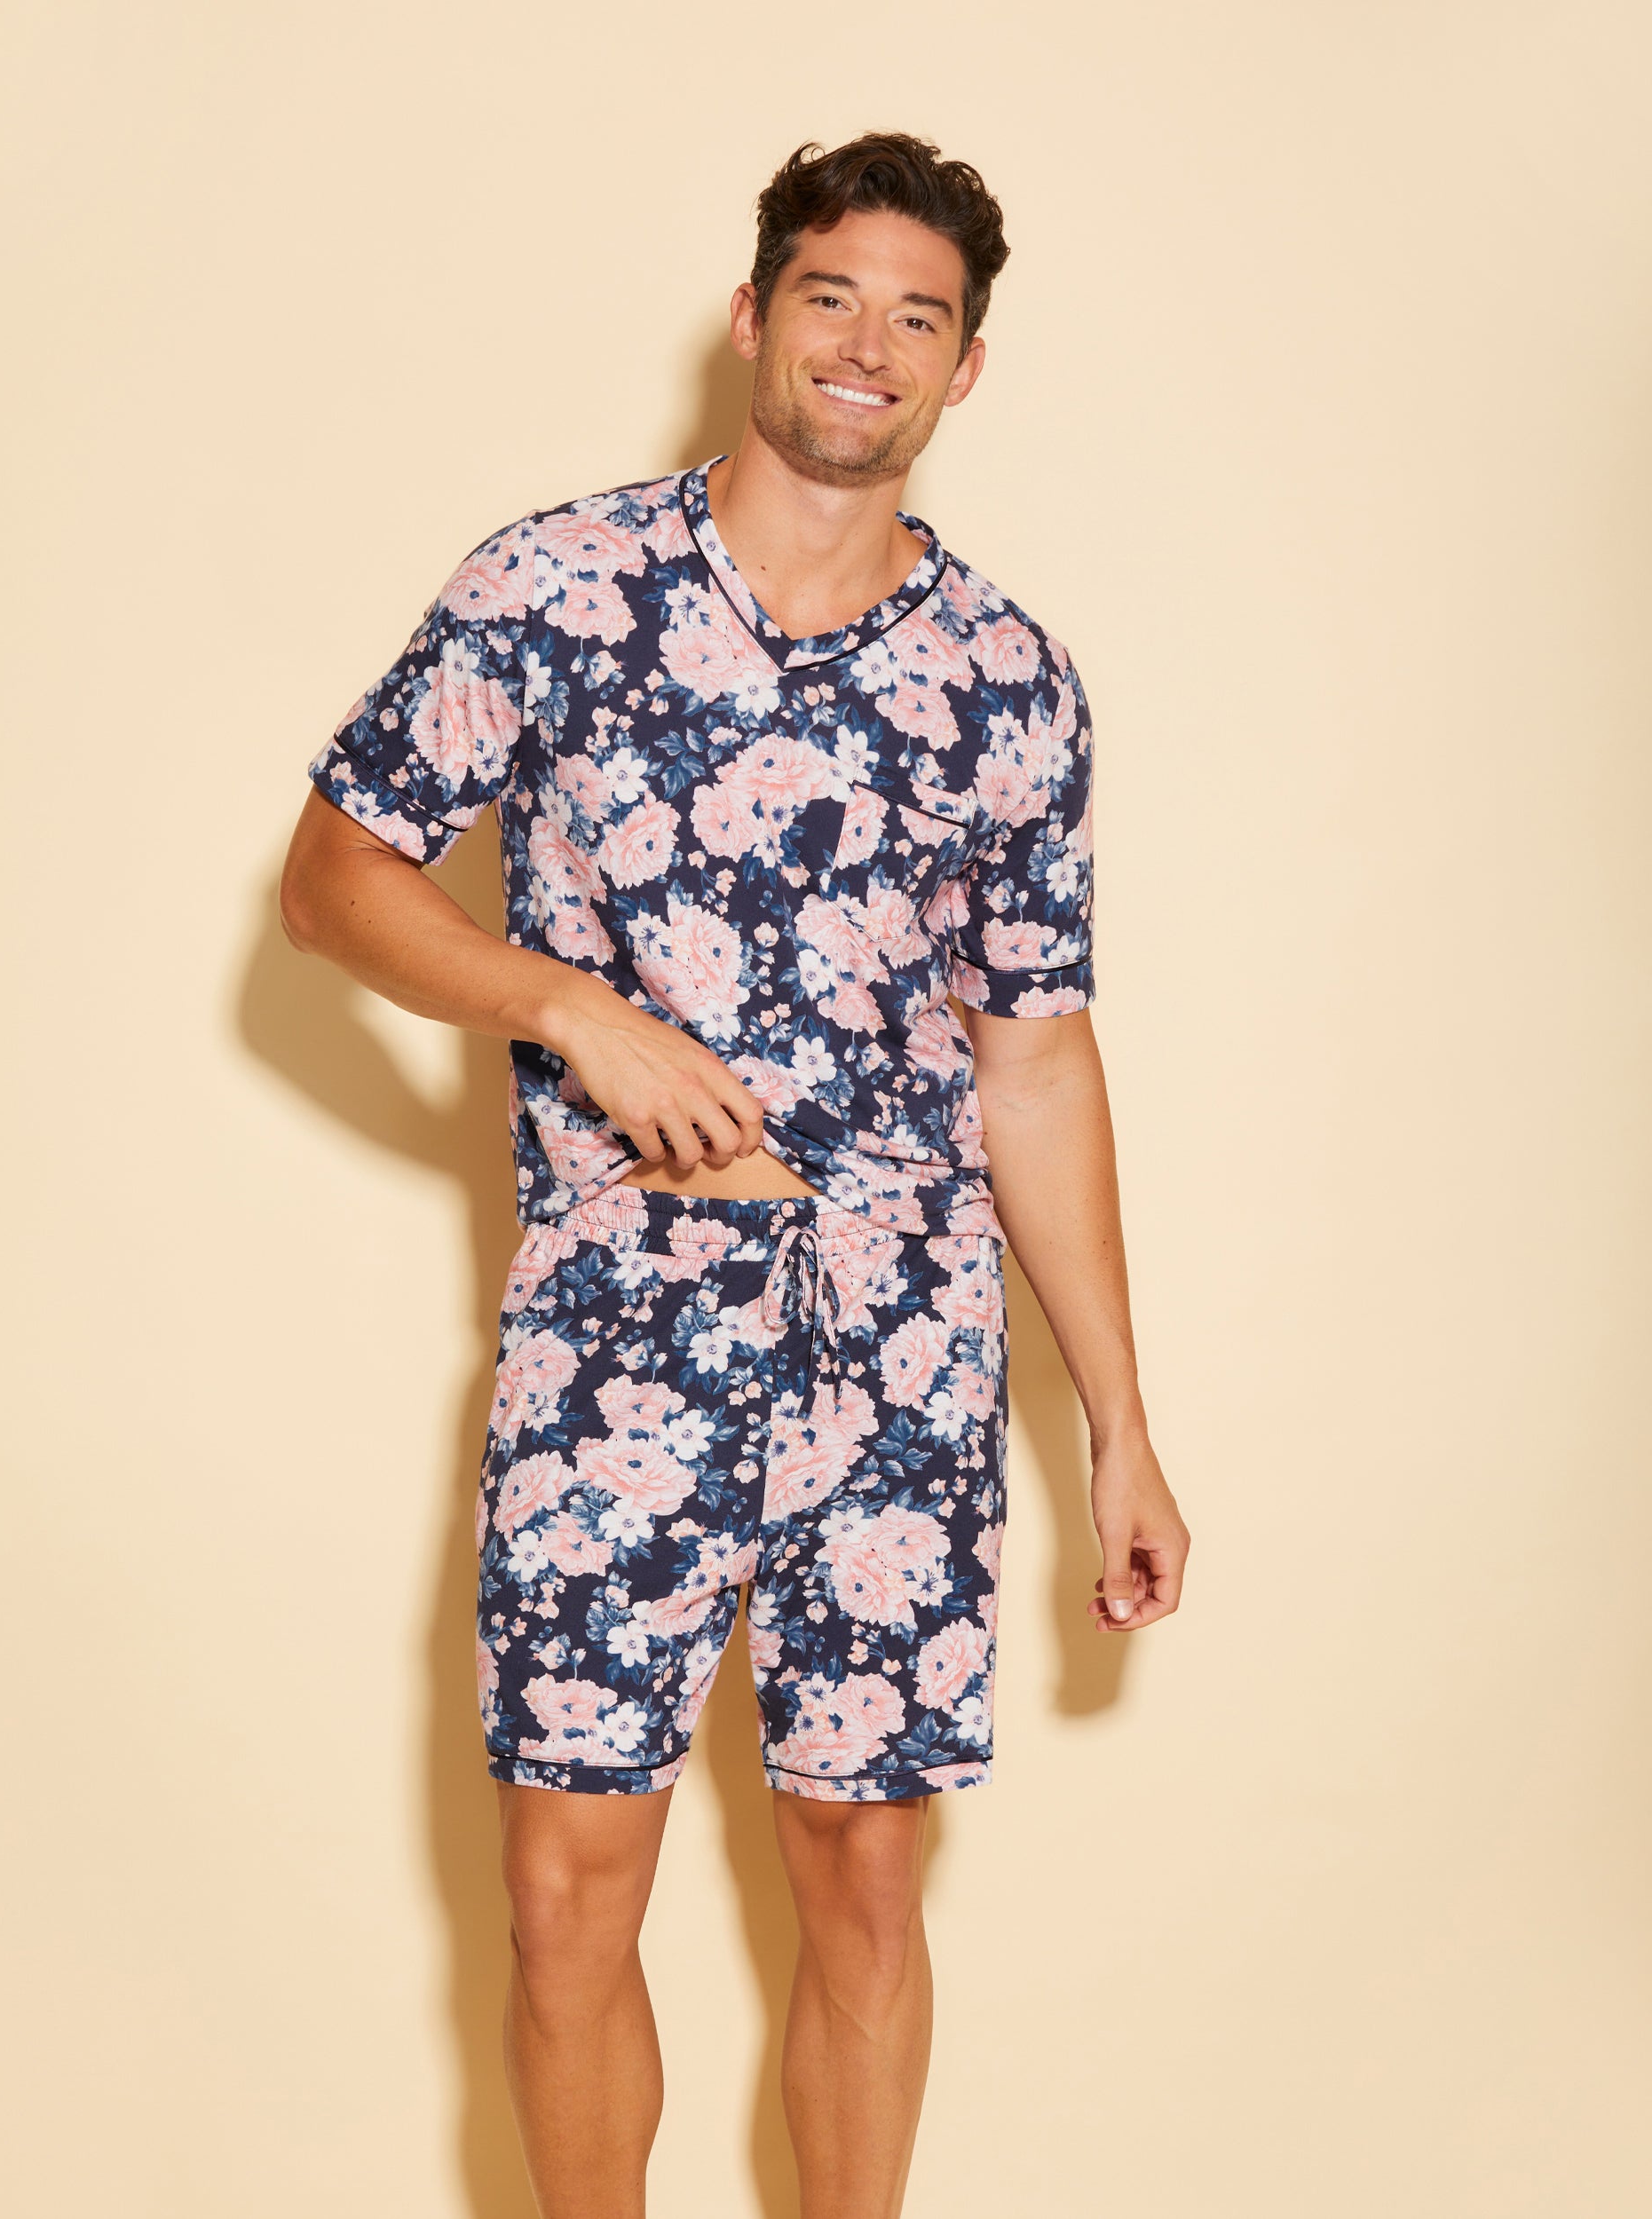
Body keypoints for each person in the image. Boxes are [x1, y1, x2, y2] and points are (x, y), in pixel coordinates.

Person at [279, 128, 1189, 2219]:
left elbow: (1035, 1059)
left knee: (861, 1867)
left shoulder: (1008, 681)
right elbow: (331, 885)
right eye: (830, 295)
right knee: (561, 1879)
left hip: (900, 1350)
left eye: (918, 316)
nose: (867, 343)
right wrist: (564, 1006)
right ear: (751, 316)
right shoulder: (554, 587)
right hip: (615, 1333)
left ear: (964, 367)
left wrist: (1122, 1422)